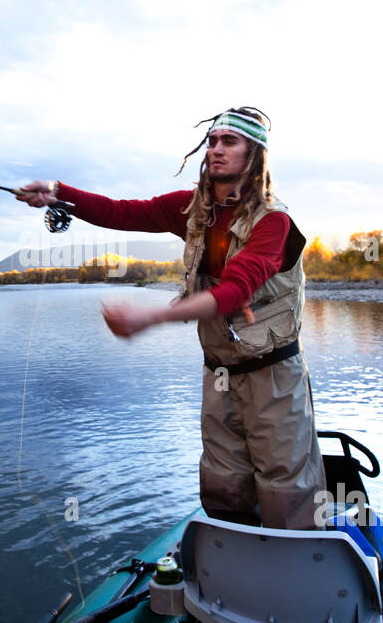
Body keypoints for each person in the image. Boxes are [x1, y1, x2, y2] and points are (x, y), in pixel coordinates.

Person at [16, 106, 327, 530]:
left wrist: (150, 318)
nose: (215, 149)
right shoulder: (193, 208)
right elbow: (121, 211)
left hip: (274, 374)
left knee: (286, 485)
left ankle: (299, 576)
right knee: (223, 483)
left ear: (254, 155)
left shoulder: (274, 222)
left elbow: (234, 291)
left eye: (228, 142)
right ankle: (231, 567)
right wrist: (57, 191)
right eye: (212, 141)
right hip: (218, 372)